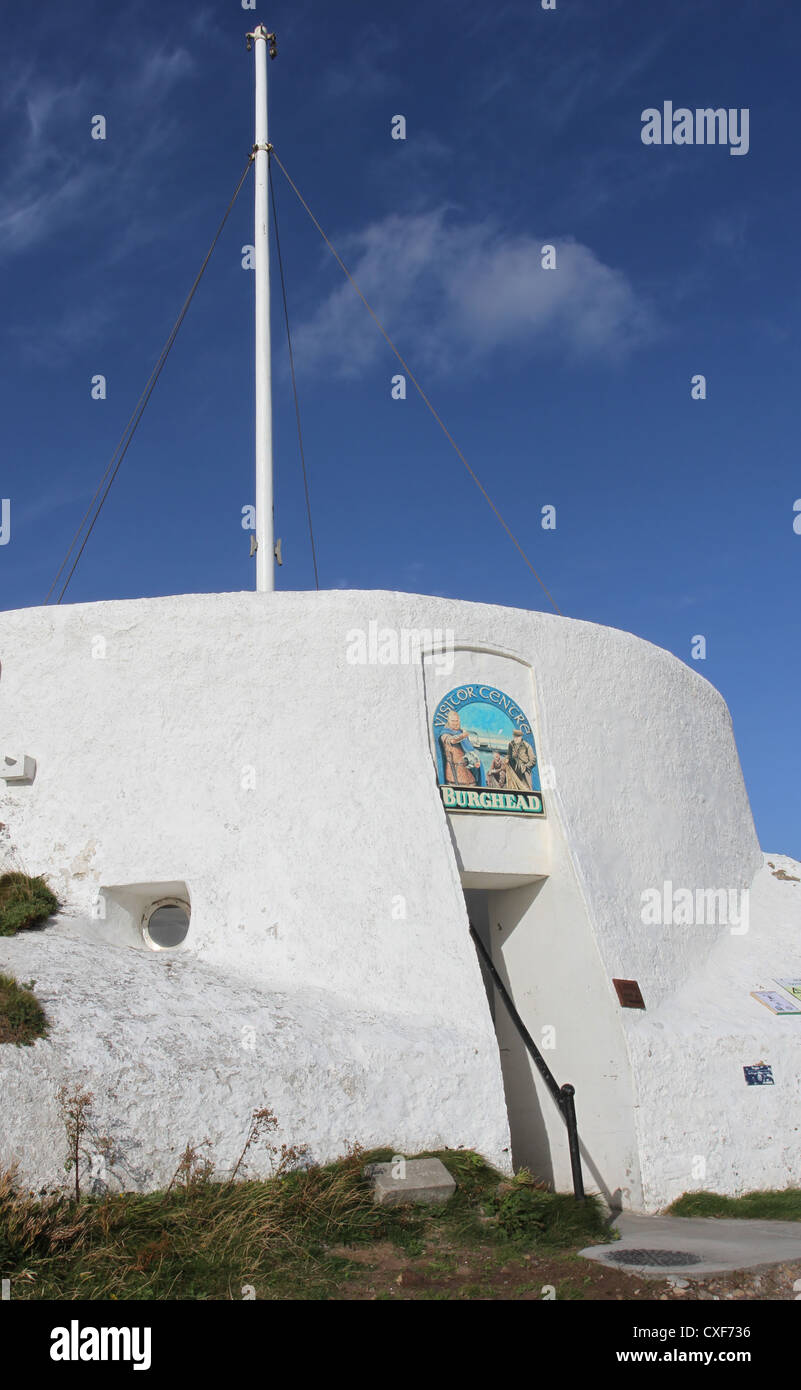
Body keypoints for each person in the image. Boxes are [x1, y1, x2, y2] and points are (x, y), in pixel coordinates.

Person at [439, 710, 482, 786]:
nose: (456, 723)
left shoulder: (460, 732)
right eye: (453, 721)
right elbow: (452, 740)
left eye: (457, 721)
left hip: (467, 769)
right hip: (454, 771)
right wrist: (463, 736)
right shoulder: (445, 734)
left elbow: (469, 750)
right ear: (448, 722)